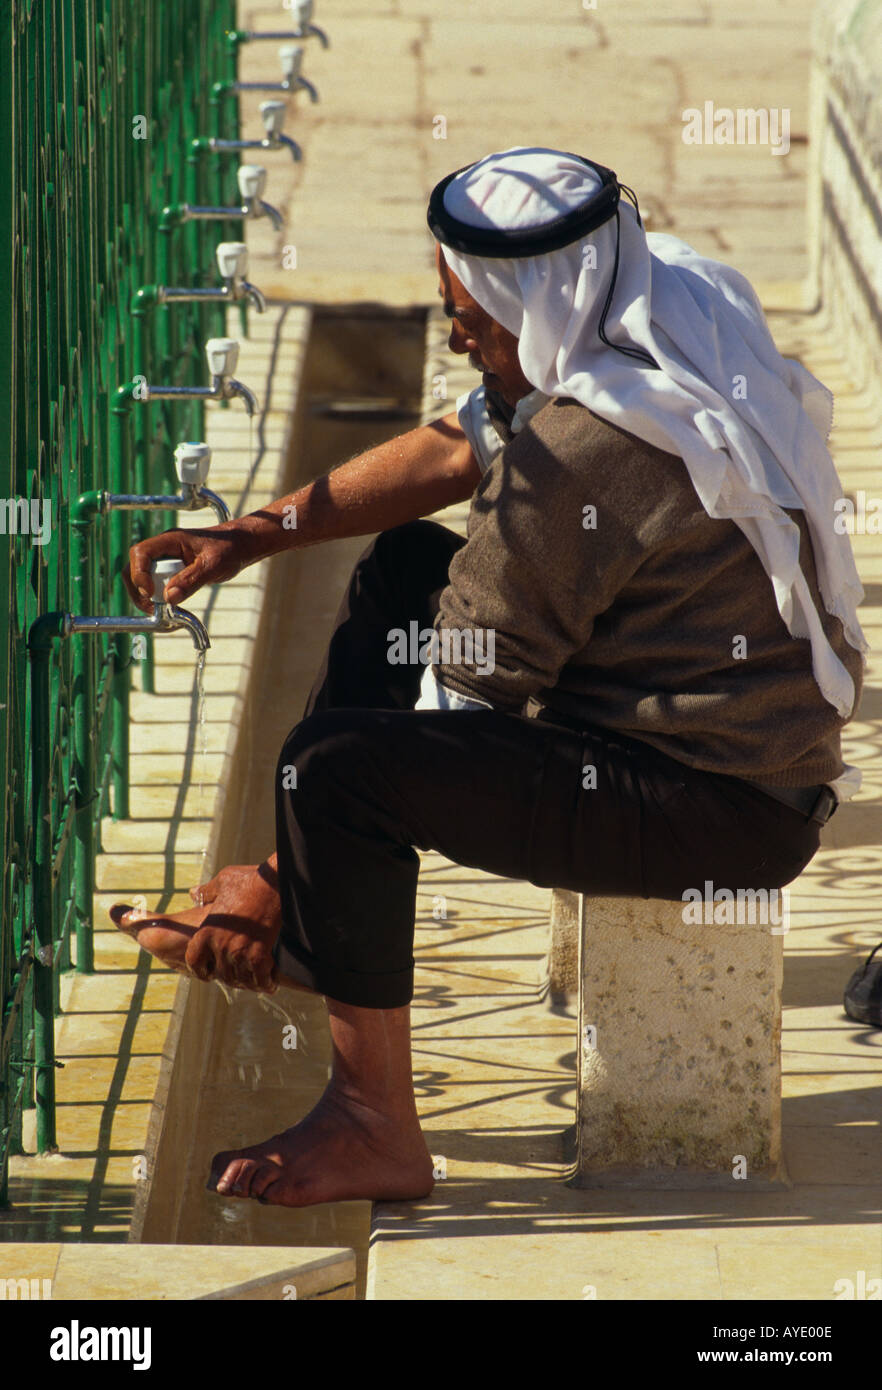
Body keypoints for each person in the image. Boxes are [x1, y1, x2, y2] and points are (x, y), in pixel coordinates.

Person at [113, 147, 867, 1208]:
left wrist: (286, 874)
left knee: (337, 771)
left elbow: (463, 701)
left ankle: (375, 1121)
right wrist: (252, 535)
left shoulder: (583, 452)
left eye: (473, 314)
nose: (457, 333)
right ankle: (304, 917)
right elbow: (458, 444)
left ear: (542, 302)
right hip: (739, 753)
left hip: (716, 807)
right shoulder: (659, 300)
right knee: (406, 565)